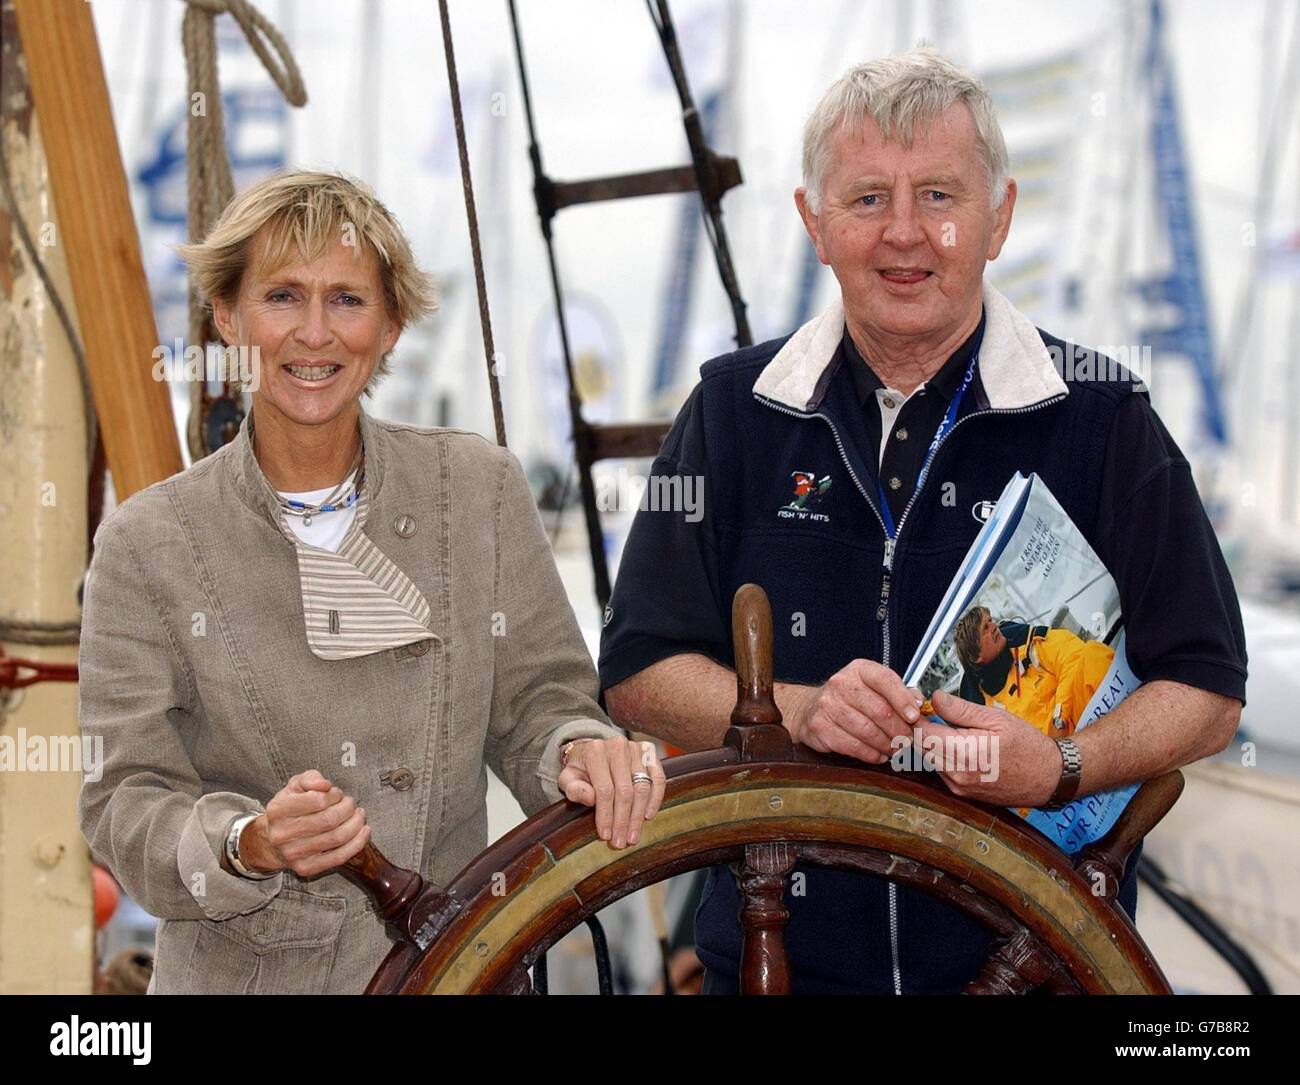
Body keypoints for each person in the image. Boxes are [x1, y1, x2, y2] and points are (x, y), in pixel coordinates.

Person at [599, 48, 1246, 994]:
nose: (906, 233)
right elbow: (635, 672)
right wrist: (804, 709)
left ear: (1001, 217)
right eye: (866, 200)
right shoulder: (728, 411)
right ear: (813, 223)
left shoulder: (1108, 417)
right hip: (782, 963)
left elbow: (1209, 690)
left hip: (1040, 965)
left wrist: (1063, 765)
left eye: (940, 194)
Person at [77, 170, 665, 994]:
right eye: (282, 296)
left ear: (391, 327)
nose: (315, 334)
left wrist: (582, 754)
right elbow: (123, 801)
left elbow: (542, 706)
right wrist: (248, 842)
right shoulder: (146, 543)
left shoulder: (477, 489)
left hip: (464, 968)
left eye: (348, 301)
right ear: (226, 319)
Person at [952, 607, 1116, 735]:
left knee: (1092, 655)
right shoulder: (986, 715)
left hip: (1083, 715)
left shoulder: (1030, 643)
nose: (994, 627)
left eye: (991, 621)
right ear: (976, 656)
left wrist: (1059, 717)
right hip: (1053, 763)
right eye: (985, 629)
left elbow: (1073, 656)